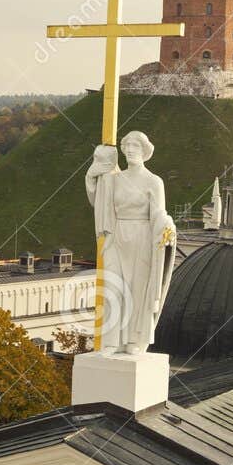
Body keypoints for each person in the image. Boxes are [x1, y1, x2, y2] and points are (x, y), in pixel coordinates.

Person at [85, 131, 176, 354]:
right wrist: (91, 175)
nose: (132, 149)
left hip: (142, 237)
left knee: (137, 289)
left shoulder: (154, 182)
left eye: (137, 146)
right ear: (123, 150)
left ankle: (135, 339)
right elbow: (99, 201)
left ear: (145, 151)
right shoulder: (114, 179)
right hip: (117, 236)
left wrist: (167, 226)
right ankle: (112, 341)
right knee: (114, 286)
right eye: (128, 145)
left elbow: (158, 213)